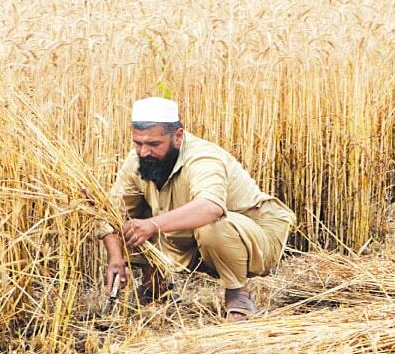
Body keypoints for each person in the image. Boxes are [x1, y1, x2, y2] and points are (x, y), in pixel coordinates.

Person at [98, 97, 296, 321]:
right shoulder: (136, 160)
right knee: (133, 224)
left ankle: (238, 295)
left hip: (255, 238)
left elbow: (210, 208)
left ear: (178, 136)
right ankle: (155, 286)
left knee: (210, 226)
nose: (143, 152)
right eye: (138, 143)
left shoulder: (203, 157)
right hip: (194, 238)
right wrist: (115, 257)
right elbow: (112, 214)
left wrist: (152, 225)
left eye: (153, 145)